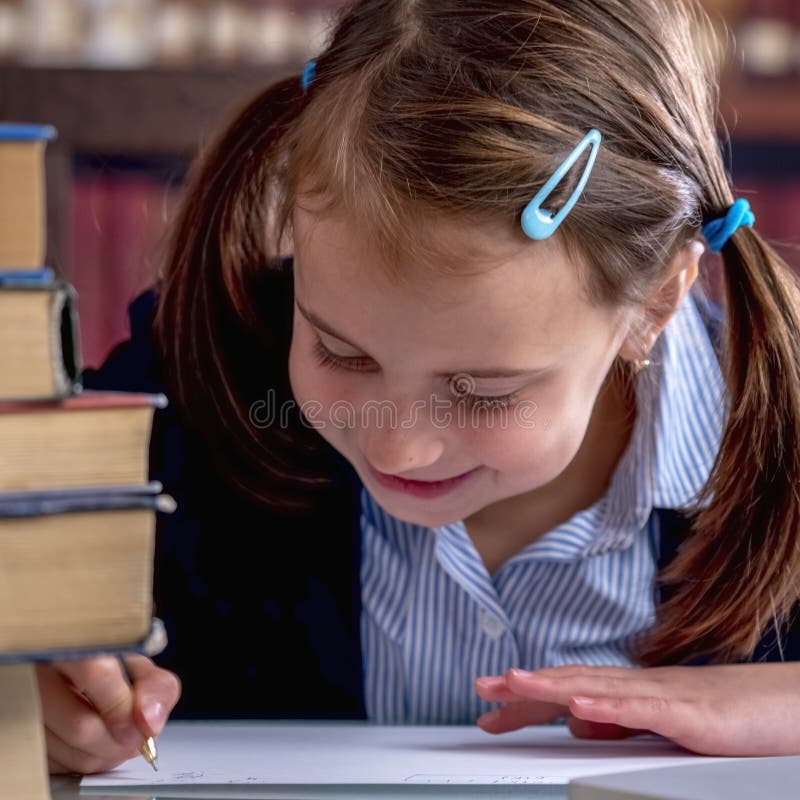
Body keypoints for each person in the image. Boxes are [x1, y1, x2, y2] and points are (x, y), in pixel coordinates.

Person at [40, 0, 800, 775]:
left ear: (654, 306)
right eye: (340, 351)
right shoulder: (195, 381)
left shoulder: (786, 439)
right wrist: (37, 675)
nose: (396, 443)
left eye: (480, 389)